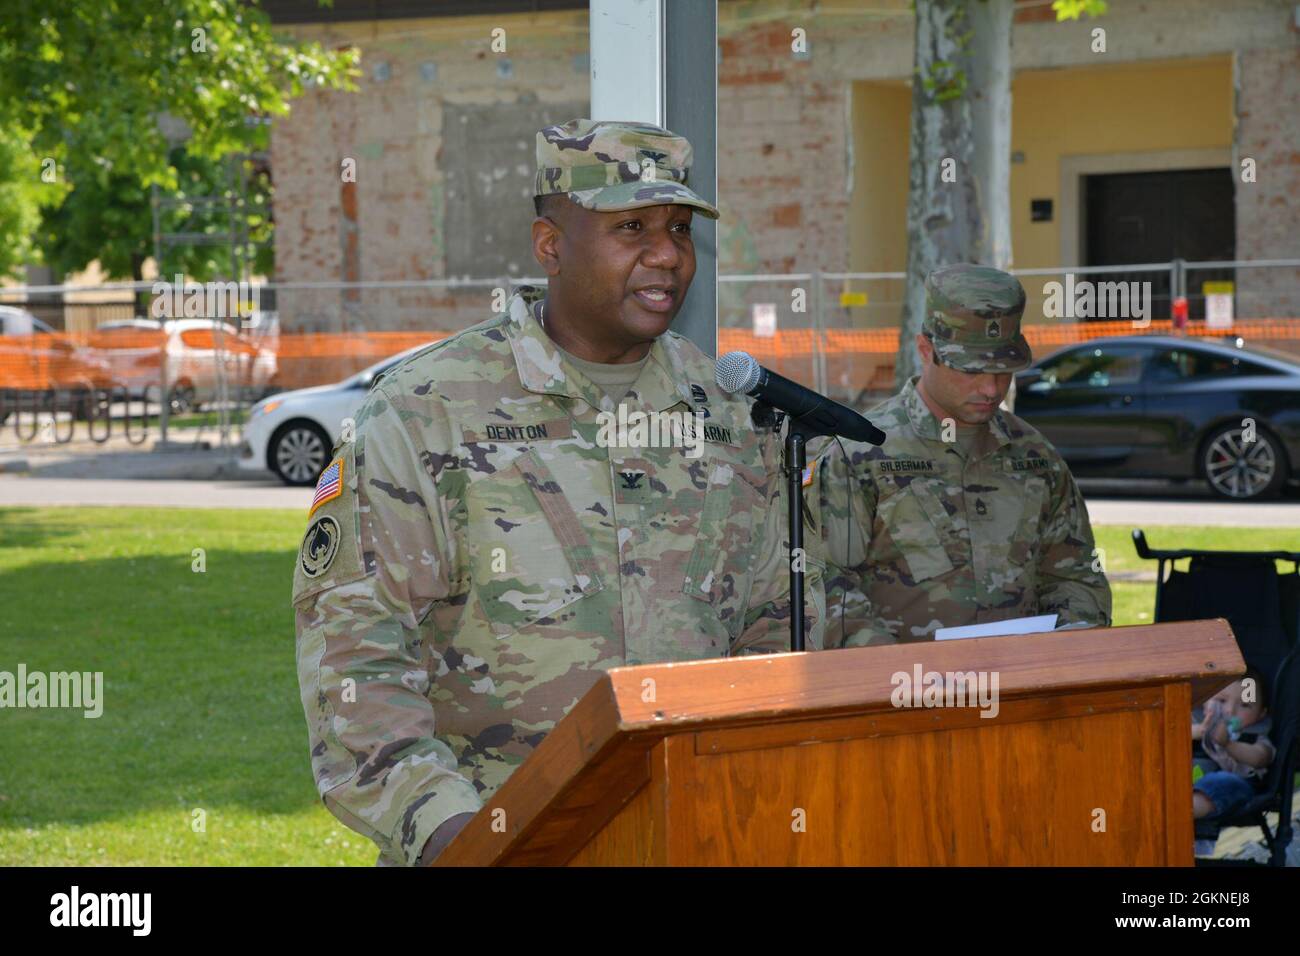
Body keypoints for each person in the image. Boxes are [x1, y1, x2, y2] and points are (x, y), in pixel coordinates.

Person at [292, 118, 823, 866]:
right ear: (550, 247)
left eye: (678, 228)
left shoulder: (728, 413)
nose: (667, 254)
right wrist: (458, 835)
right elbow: (356, 656)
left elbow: (782, 622)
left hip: (699, 831)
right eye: (631, 226)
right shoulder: (426, 410)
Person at [814, 263, 1111, 646]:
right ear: (926, 350)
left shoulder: (1035, 456)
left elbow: (1075, 575)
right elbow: (824, 583)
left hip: (1022, 687)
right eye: (971, 370)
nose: (990, 388)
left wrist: (1069, 640)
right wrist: (892, 668)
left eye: (1003, 370)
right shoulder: (860, 453)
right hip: (905, 691)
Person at [1192, 670, 1274, 823]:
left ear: (1261, 714)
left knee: (1223, 782)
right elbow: (1168, 736)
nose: (1230, 710)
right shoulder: (1193, 724)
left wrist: (1229, 744)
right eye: (1222, 701)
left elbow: (1260, 757)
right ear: (1205, 701)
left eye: (1245, 705)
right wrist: (1200, 731)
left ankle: (1182, 809)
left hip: (1231, 788)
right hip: (1184, 781)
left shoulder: (1255, 735)